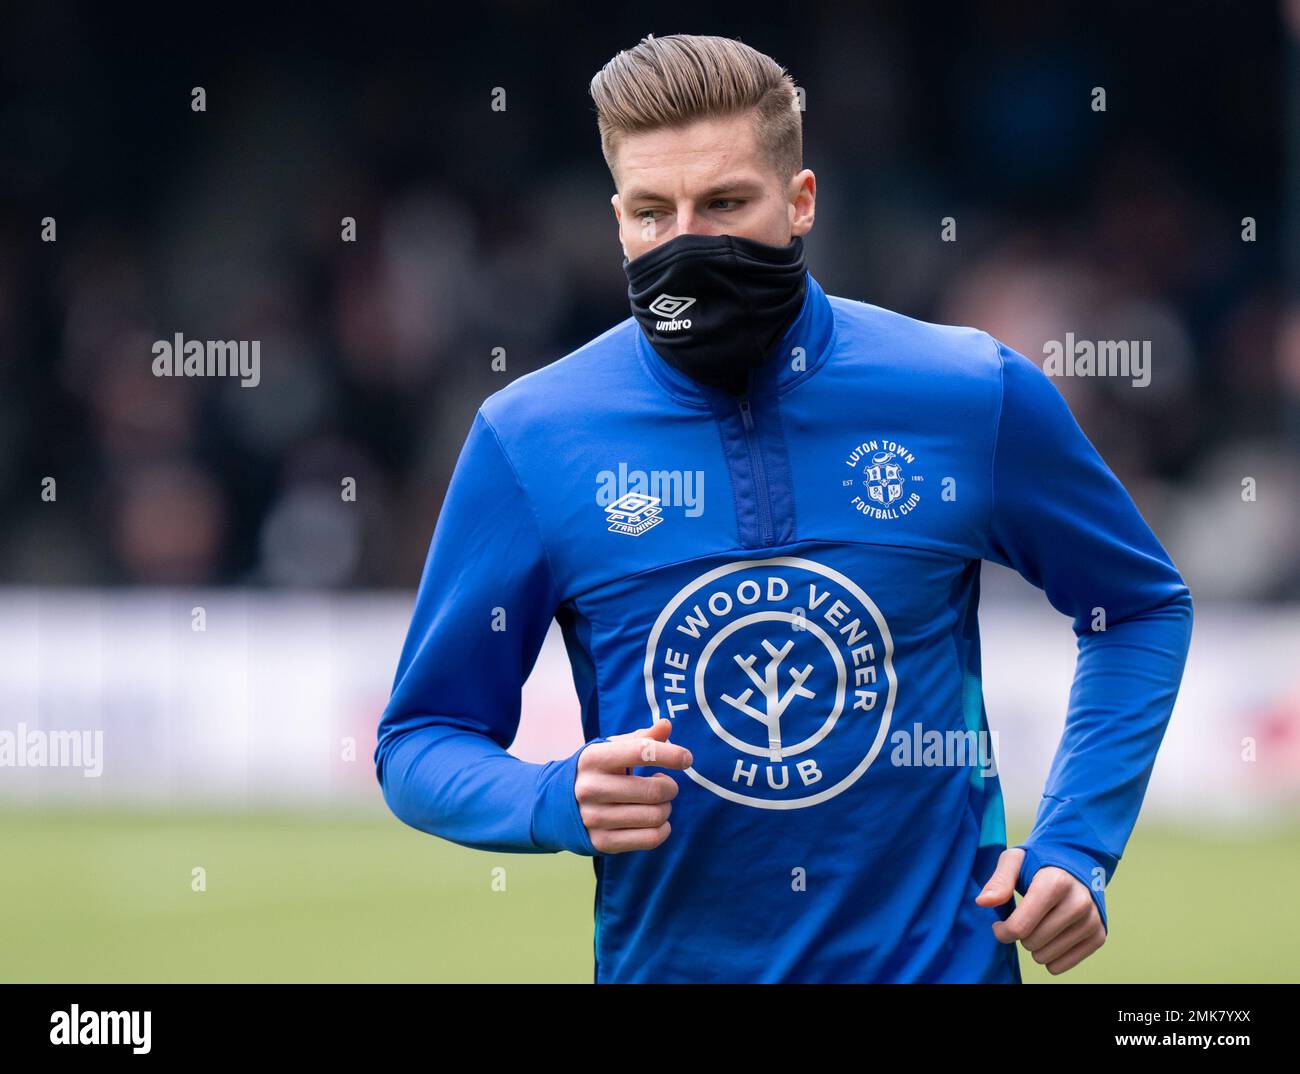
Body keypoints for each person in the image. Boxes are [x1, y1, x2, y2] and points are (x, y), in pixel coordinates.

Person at [374, 33, 1193, 983]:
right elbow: (419, 742)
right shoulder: (533, 438)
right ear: (618, 221)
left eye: (724, 203)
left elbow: (1137, 606)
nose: (687, 242)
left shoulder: (967, 391)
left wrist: (1078, 846)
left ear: (800, 201)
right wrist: (551, 800)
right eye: (652, 213)